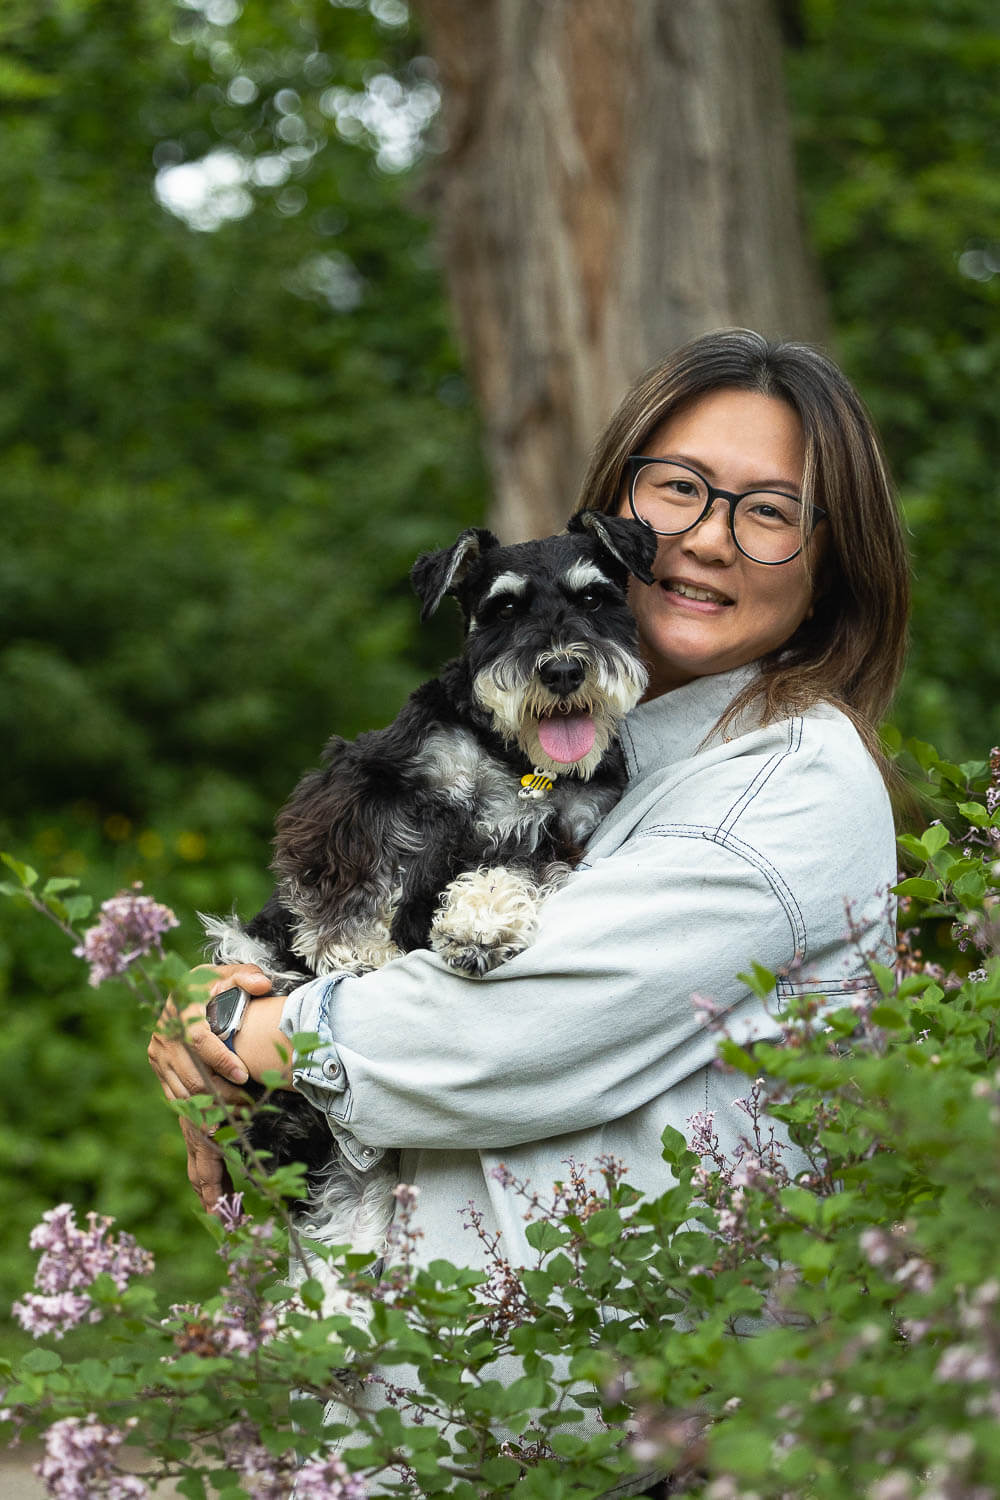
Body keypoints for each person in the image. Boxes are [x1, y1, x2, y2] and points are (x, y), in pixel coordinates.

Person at [149, 324, 909, 1325]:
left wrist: (246, 1031)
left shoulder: (788, 785)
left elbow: (505, 1032)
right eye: (679, 487)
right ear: (614, 509)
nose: (709, 537)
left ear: (831, 566)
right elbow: (381, 936)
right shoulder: (576, 754)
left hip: (643, 1438)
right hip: (436, 1416)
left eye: (770, 512)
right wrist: (222, 996)